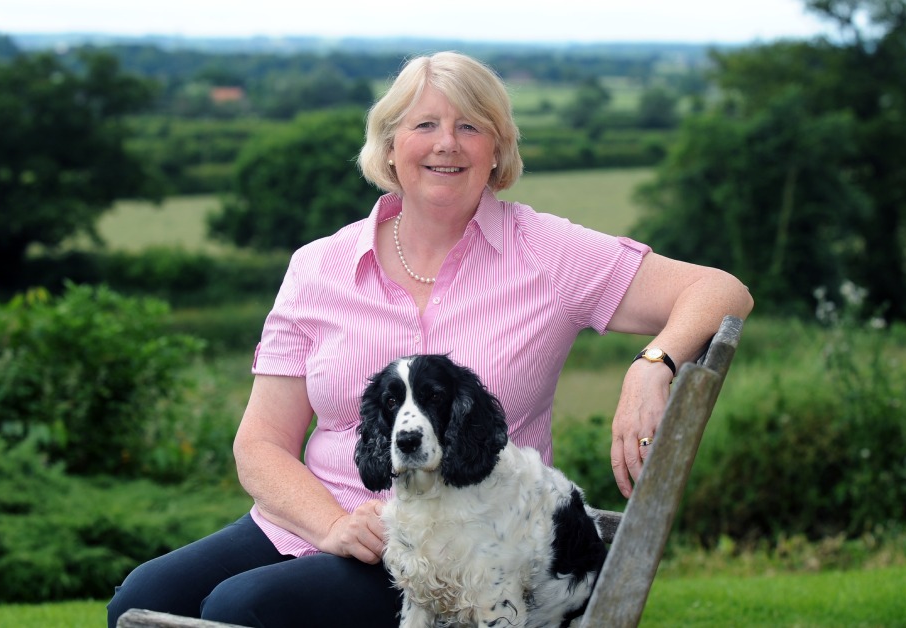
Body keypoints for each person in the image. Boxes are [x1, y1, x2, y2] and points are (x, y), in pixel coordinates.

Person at [107, 50, 753, 628]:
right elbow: (260, 445)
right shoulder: (318, 267)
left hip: (460, 548)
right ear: (389, 147)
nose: (447, 144)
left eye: (470, 126)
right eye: (424, 125)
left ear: (498, 150)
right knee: (142, 597)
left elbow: (721, 290)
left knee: (241, 611)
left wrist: (653, 362)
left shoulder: (548, 254)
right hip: (314, 520)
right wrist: (332, 525)